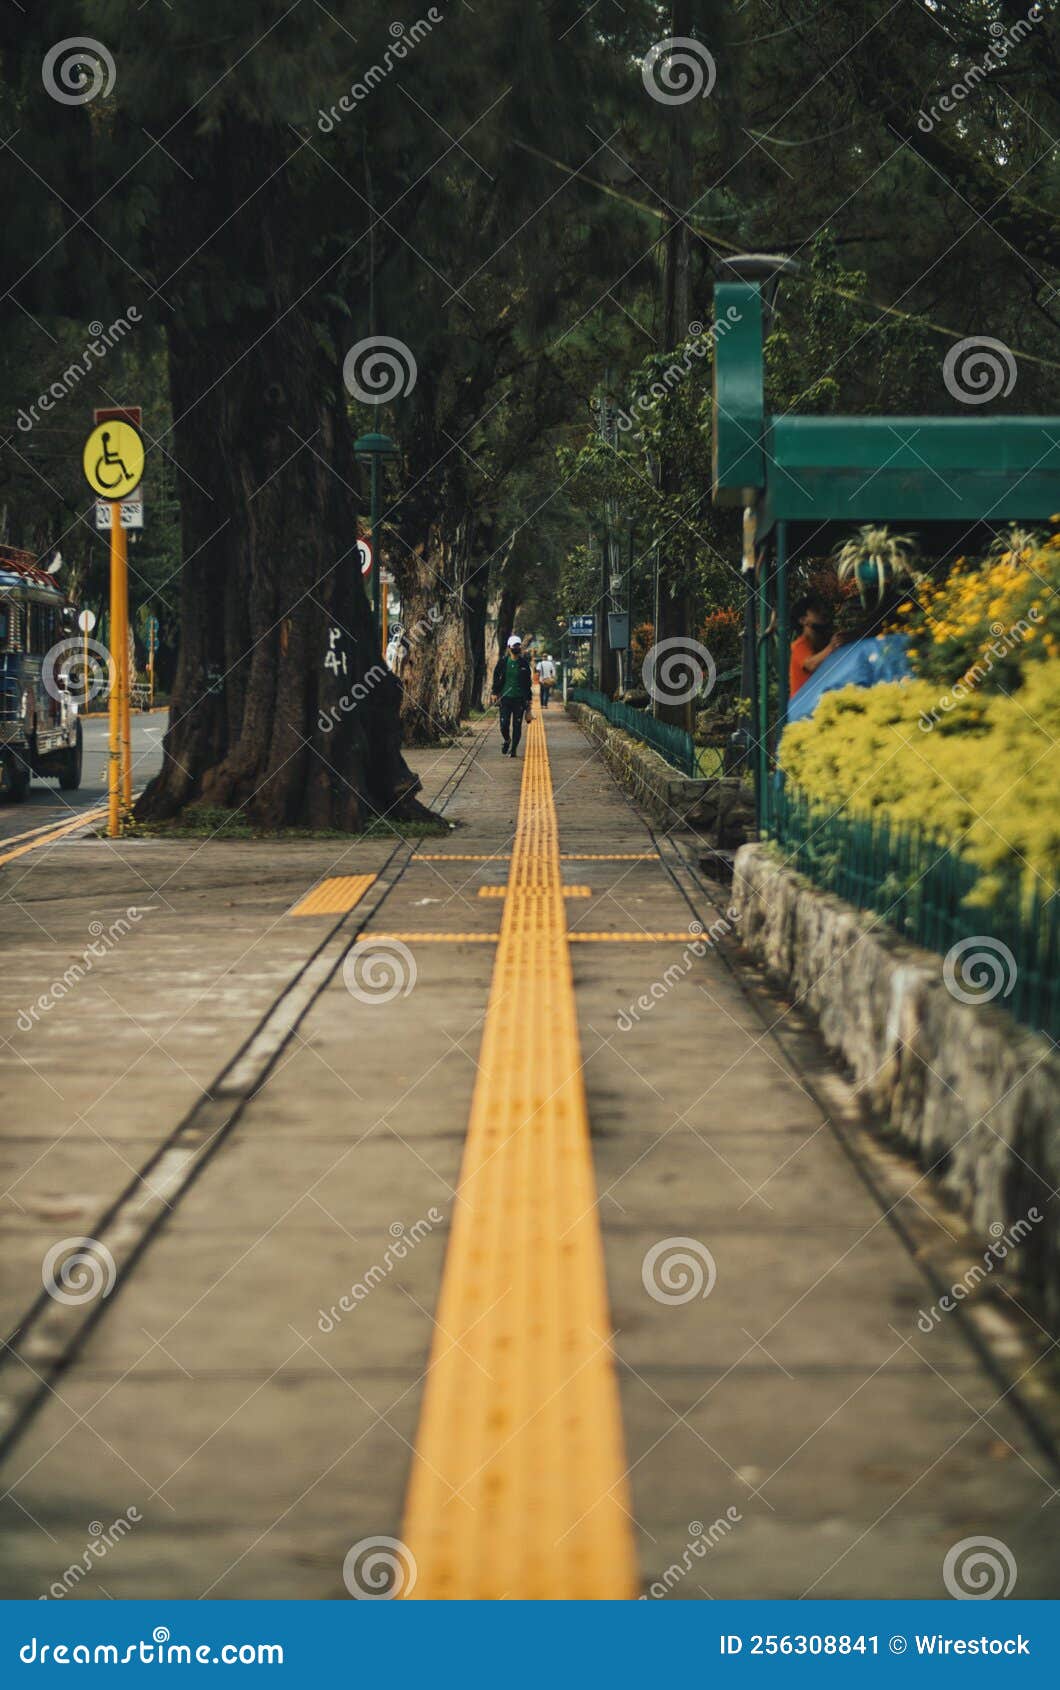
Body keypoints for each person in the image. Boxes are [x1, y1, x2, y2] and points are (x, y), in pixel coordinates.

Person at [491, 633, 533, 758]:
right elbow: (496, 678)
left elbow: (528, 683)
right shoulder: (503, 662)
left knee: (517, 725)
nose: (517, 648)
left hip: (519, 699)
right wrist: (494, 692)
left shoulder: (524, 664)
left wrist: (529, 702)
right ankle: (507, 740)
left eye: (519, 645)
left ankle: (513, 749)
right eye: (515, 645)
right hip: (505, 699)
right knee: (504, 724)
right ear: (509, 647)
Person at [789, 594, 839, 696]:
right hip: (803, 708)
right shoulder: (799, 645)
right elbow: (811, 664)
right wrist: (832, 646)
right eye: (816, 610)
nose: (823, 613)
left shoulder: (821, 643)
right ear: (803, 620)